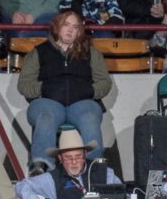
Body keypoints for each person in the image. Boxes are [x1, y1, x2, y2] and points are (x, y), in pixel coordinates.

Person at [17, 11, 110, 175]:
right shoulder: (39, 52)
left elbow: (104, 82)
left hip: (83, 101)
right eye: (66, 25)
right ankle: (41, 166)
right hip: (47, 100)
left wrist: (88, 91)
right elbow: (24, 85)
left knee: (89, 117)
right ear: (57, 27)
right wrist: (46, 88)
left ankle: (95, 168)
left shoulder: (91, 52)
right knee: (46, 116)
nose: (70, 30)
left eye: (75, 27)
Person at [14, 130, 121, 199]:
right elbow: (21, 185)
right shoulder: (53, 178)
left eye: (78, 156)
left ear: (85, 154)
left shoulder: (103, 171)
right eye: (68, 158)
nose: (74, 162)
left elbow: (121, 195)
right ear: (60, 158)